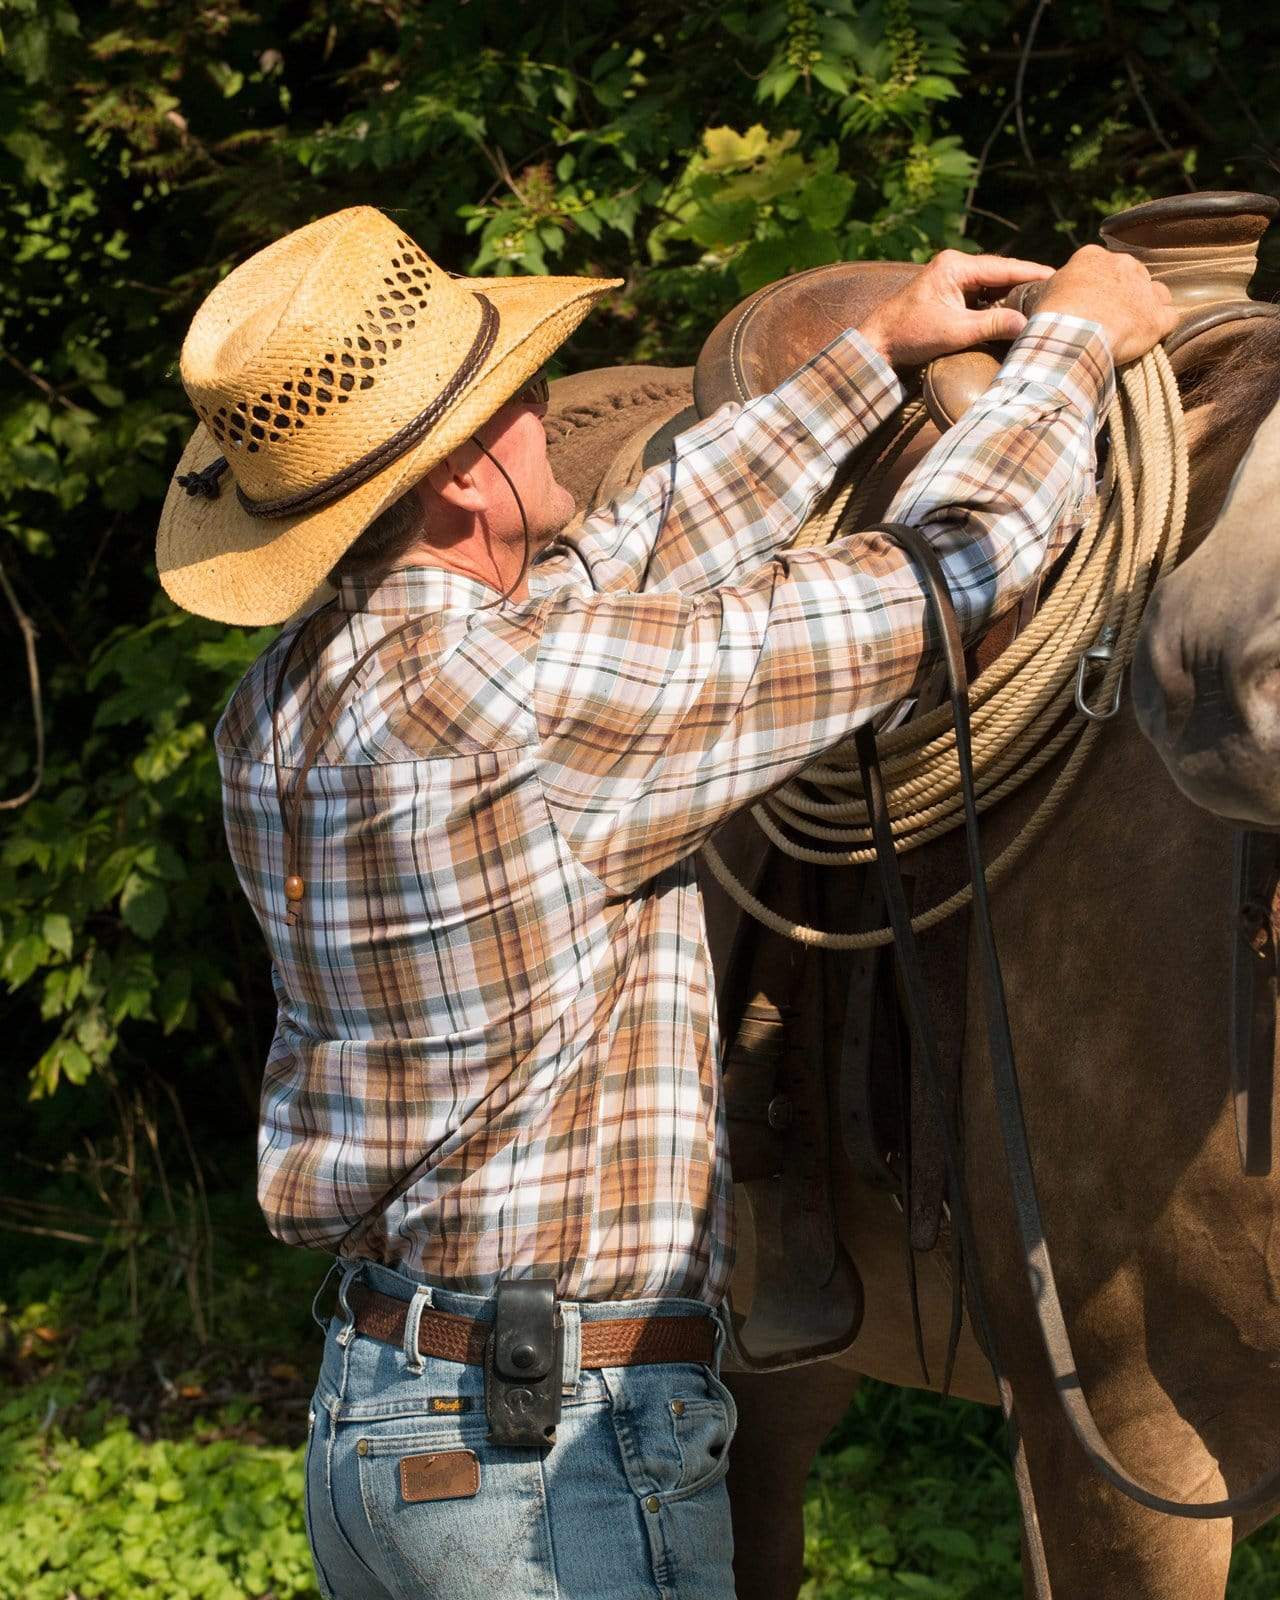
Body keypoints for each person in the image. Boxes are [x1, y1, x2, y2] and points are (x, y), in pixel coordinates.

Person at [156, 205, 1175, 1600]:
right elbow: (943, 583)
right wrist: (1073, 349)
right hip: (551, 1459)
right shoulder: (528, 704)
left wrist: (871, 353)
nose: (542, 410)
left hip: (386, 1421)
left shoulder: (287, 700)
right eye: (515, 400)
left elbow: (627, 557)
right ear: (460, 484)